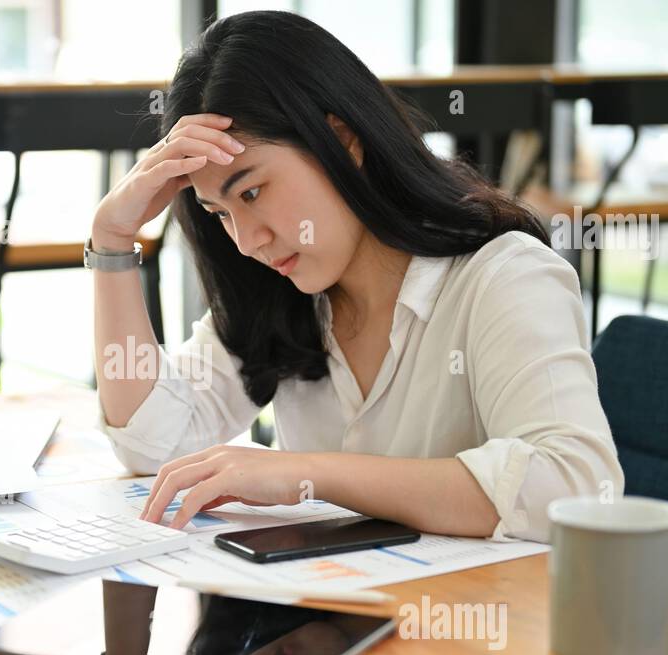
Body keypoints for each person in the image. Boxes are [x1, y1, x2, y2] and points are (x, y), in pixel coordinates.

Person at [88, 10, 622, 543]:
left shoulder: (505, 278)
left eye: (251, 192)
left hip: (487, 621)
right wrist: (112, 240)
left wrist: (309, 475)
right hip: (334, 619)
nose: (246, 241)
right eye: (220, 213)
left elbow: (572, 487)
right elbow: (151, 443)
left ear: (341, 142)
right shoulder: (286, 295)